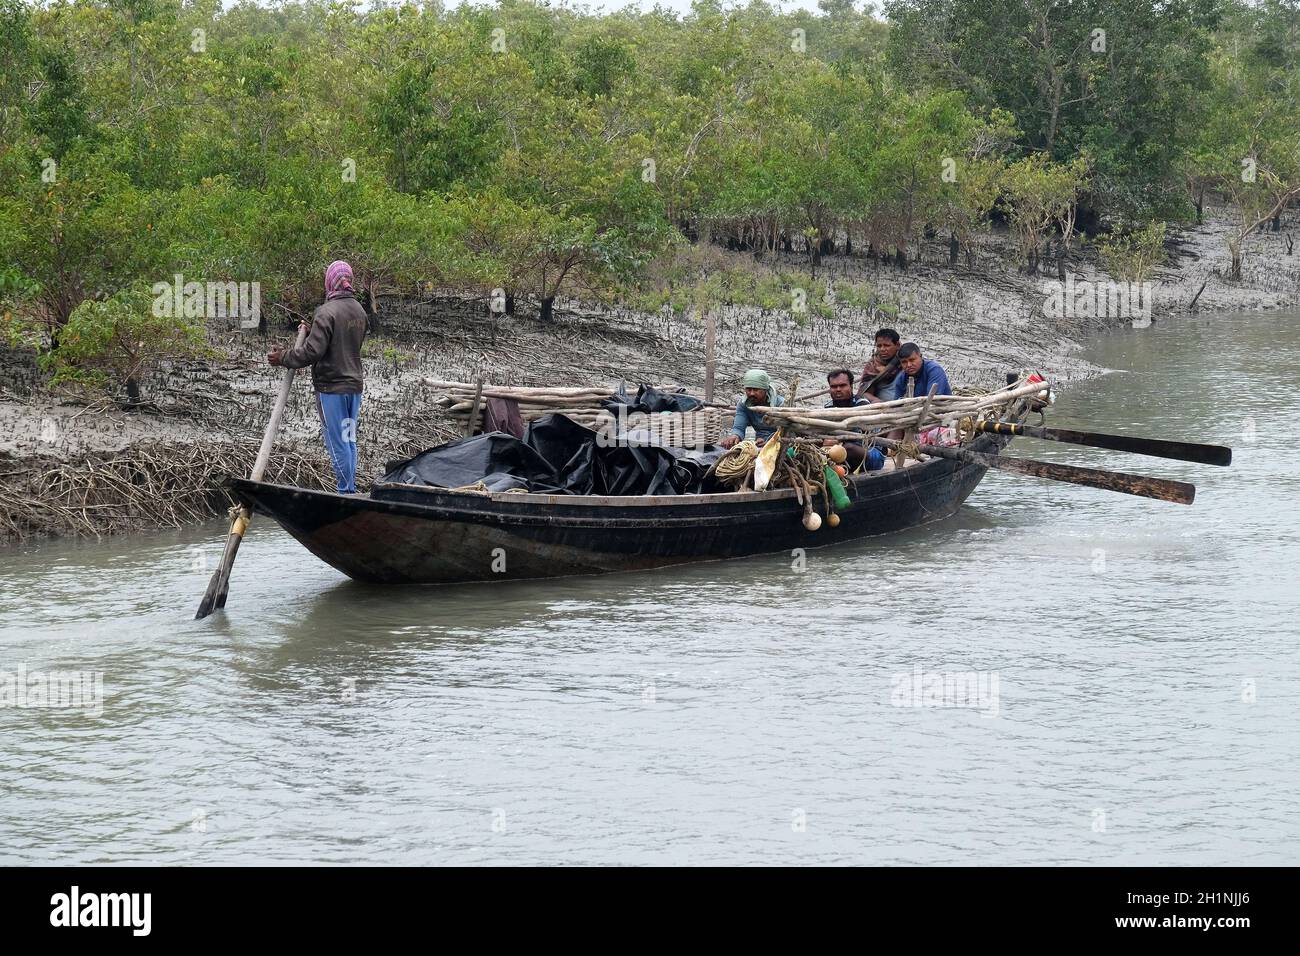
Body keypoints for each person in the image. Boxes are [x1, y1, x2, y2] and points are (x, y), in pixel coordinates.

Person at [269, 260, 367, 494]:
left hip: (331, 389)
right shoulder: (360, 311)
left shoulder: (325, 312)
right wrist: (314, 330)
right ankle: (349, 489)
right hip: (354, 386)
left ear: (330, 281)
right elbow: (342, 342)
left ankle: (345, 492)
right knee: (349, 438)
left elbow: (312, 352)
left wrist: (282, 357)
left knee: (338, 442)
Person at [823, 368, 885, 471]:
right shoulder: (828, 408)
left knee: (848, 449)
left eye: (842, 385)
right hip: (840, 448)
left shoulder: (861, 404)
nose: (838, 389)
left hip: (870, 453)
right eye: (834, 387)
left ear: (851, 386)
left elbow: (858, 435)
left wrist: (837, 439)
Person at [720, 368, 785, 449]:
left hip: (780, 443)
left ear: (765, 389)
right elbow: (739, 427)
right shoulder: (743, 405)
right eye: (748, 389)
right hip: (759, 443)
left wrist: (771, 441)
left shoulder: (781, 405)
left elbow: (788, 433)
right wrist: (735, 436)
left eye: (756, 390)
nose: (751, 393)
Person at [860, 328, 902, 402]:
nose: (882, 349)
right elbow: (864, 392)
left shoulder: (905, 361)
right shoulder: (872, 366)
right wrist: (877, 401)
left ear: (897, 345)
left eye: (887, 345)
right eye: (879, 346)